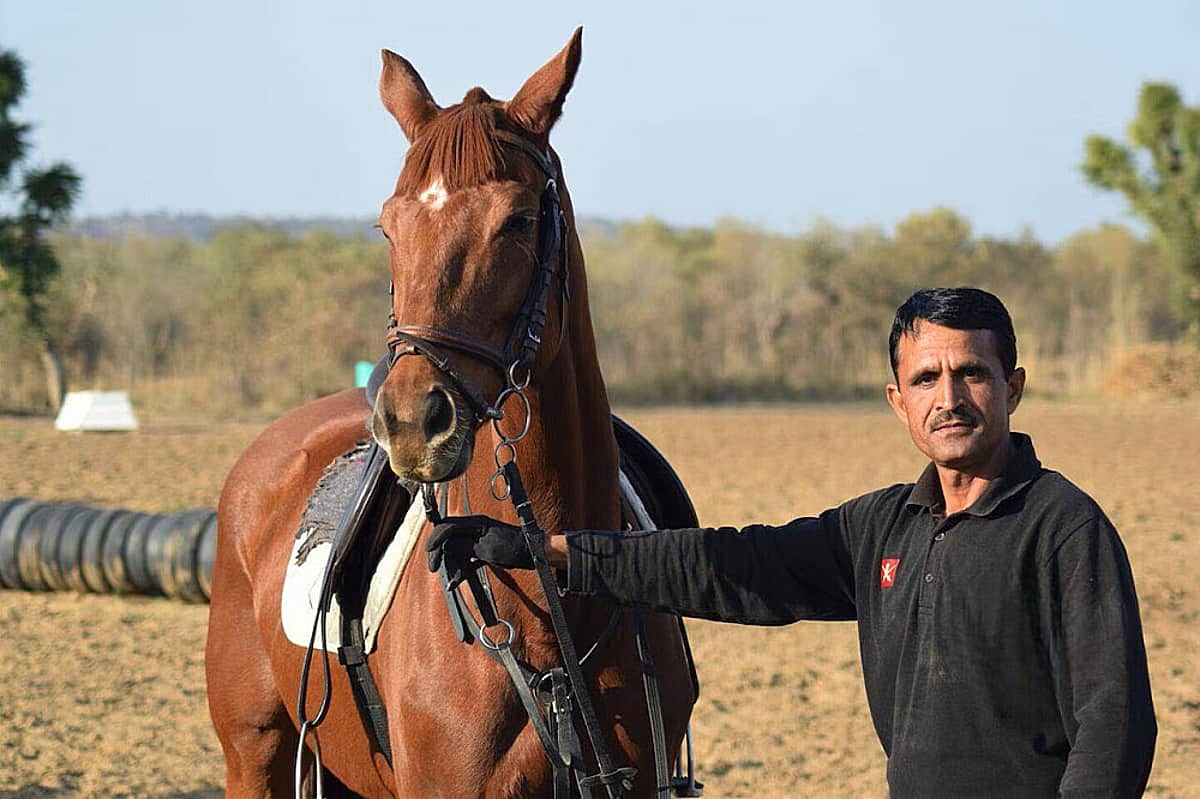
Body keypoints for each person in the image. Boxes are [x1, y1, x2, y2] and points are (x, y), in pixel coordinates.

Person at [427, 287, 1157, 798]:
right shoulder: (881, 527)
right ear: (897, 400)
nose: (950, 398)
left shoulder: (1064, 527)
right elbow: (729, 565)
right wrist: (544, 550)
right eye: (927, 377)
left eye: (973, 373)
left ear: (1013, 386)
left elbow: (1114, 721)